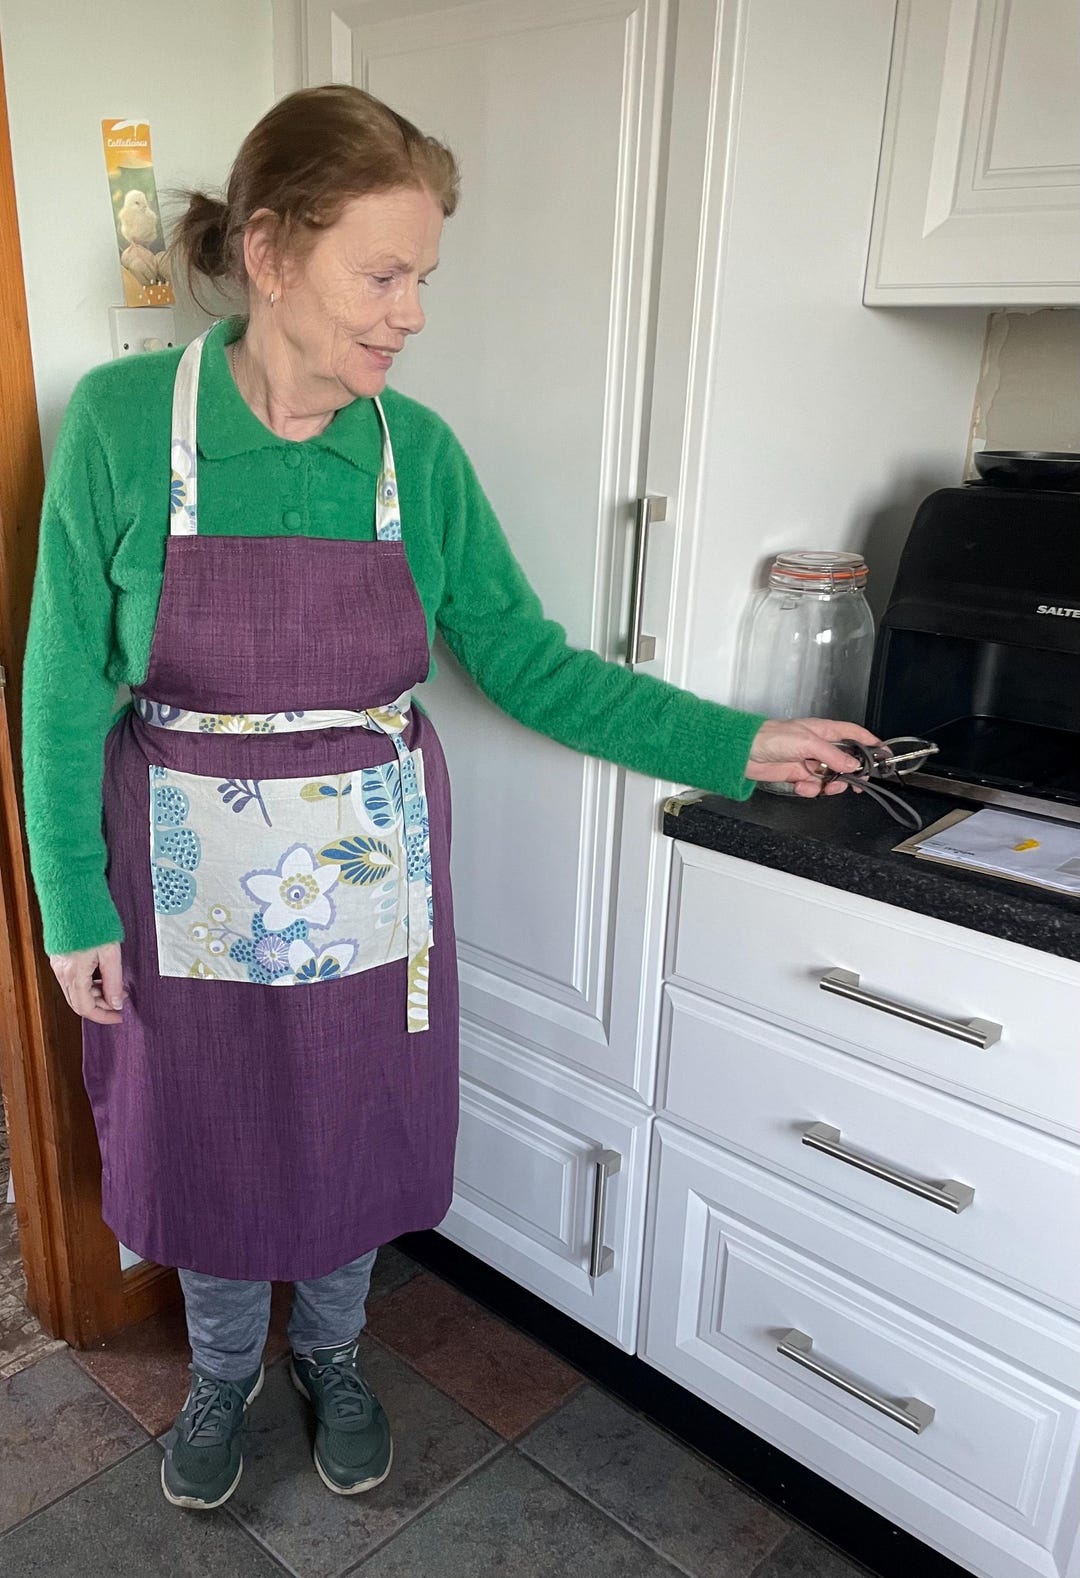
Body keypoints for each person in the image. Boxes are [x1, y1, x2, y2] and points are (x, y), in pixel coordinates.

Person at [21, 85, 876, 1512]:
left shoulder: (414, 454)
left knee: (359, 1117)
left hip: (370, 873)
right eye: (385, 272)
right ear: (275, 250)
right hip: (178, 877)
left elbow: (532, 667)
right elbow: (57, 685)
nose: (412, 310)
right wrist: (70, 899)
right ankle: (225, 1369)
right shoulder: (121, 425)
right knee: (204, 1124)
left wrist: (743, 743)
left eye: (425, 277)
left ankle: (340, 1352)